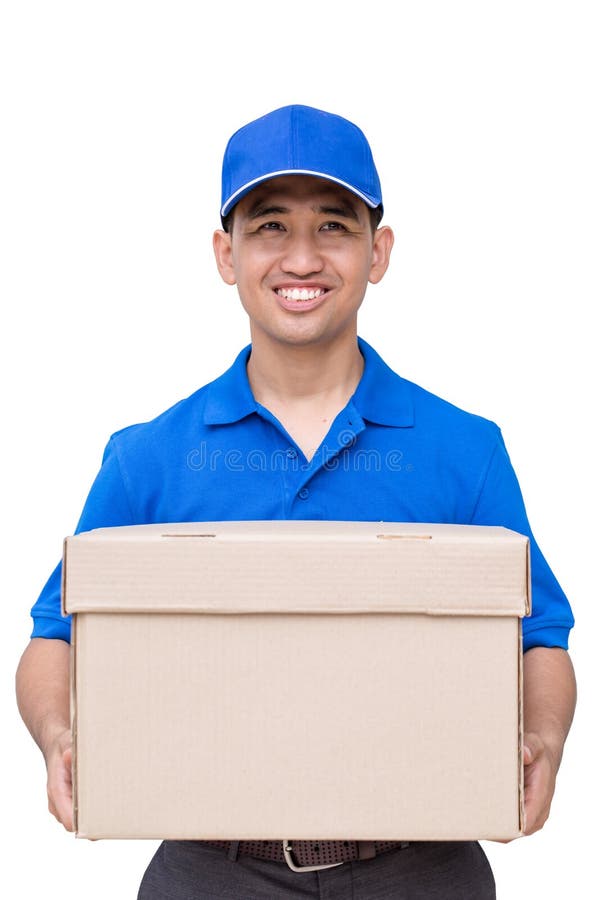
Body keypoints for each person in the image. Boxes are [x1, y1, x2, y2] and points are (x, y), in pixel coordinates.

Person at [16, 104, 576, 899]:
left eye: (335, 227)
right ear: (226, 253)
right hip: (211, 871)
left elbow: (541, 640)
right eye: (270, 226)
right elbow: (53, 639)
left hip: (420, 870)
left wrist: (541, 740)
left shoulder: (464, 450)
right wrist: (60, 735)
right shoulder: (151, 456)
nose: (302, 257)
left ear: (378, 252)